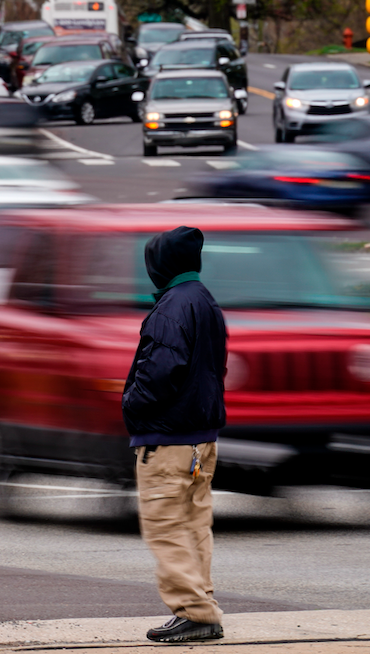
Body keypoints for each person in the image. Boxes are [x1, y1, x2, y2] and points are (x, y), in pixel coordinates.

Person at [121, 226, 228, 643]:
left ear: (160, 264)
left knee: (165, 527)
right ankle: (202, 605)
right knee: (195, 525)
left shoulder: (171, 307)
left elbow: (159, 373)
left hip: (166, 440)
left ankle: (196, 612)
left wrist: (131, 405)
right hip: (201, 438)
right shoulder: (205, 301)